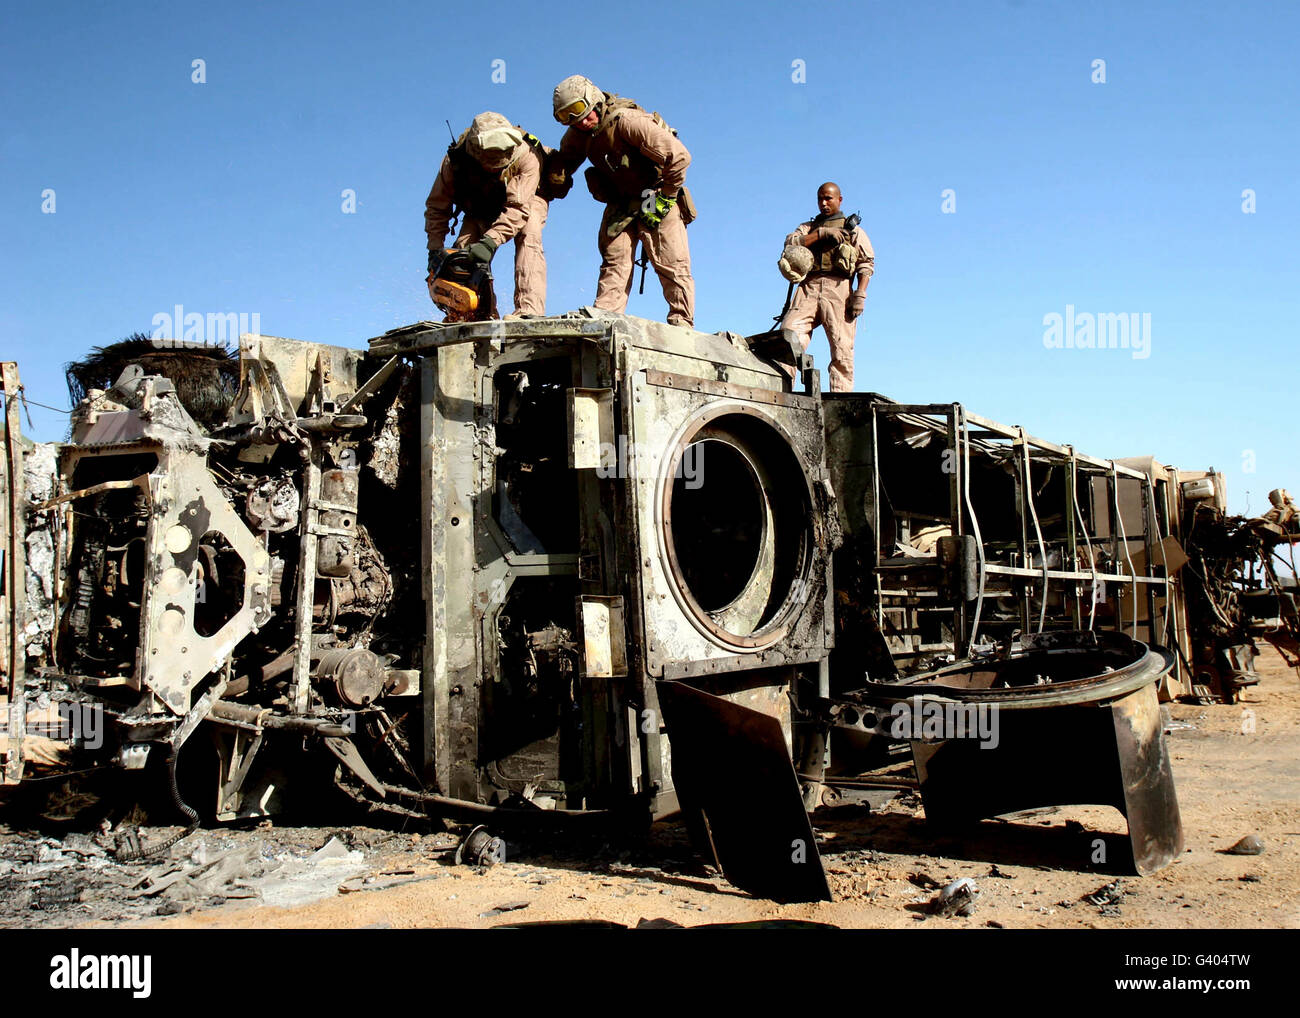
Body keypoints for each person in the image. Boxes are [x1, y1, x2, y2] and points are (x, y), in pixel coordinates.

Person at [550, 75, 696, 327]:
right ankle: (606, 320)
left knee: (670, 261)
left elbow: (680, 156)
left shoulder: (628, 122)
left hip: (655, 191)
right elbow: (561, 168)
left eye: (581, 112)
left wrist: (667, 197)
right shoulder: (578, 135)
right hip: (621, 200)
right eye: (568, 117)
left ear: (594, 101)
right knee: (614, 259)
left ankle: (682, 324)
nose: (581, 121)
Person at [424, 111, 554, 317]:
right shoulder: (455, 161)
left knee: (529, 234)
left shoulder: (527, 154)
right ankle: (475, 315)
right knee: (461, 256)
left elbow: (518, 208)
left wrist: (490, 241)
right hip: (480, 206)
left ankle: (529, 311)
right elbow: (437, 207)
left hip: (524, 201)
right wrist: (434, 249)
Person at [778, 182, 874, 391]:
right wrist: (820, 234)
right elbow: (790, 244)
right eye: (820, 198)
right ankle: (784, 394)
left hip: (839, 288)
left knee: (842, 351)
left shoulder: (853, 230)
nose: (824, 203)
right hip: (808, 287)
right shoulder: (808, 228)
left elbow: (866, 263)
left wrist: (860, 294)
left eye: (828, 198)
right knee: (788, 337)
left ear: (839, 199)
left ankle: (840, 403)